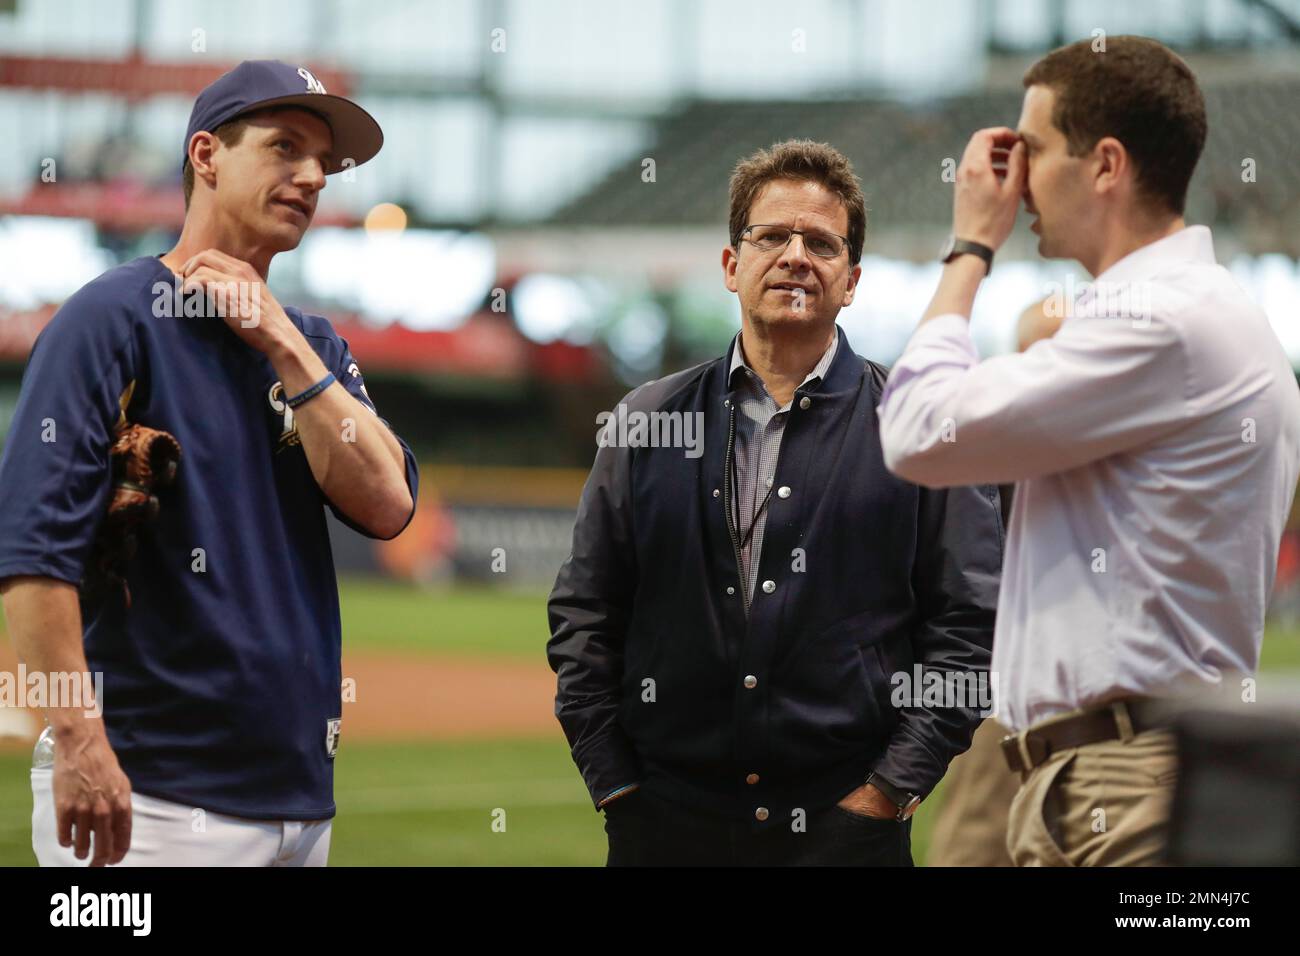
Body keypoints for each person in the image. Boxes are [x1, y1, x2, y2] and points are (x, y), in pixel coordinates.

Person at [878, 36, 1300, 866]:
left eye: (1031, 150)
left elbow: (918, 427)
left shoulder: (1159, 321)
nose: (1016, 179)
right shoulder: (1178, 312)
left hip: (1122, 780)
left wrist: (970, 248)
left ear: (1106, 165)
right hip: (1108, 769)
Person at [0, 60, 419, 867]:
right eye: (284, 147)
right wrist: (79, 741)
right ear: (205, 156)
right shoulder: (111, 319)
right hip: (144, 796)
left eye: (322, 163)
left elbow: (388, 504)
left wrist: (285, 344)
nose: (310, 176)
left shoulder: (316, 346)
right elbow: (28, 555)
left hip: (298, 798)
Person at [547, 139, 1003, 866]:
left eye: (821, 242)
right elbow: (586, 612)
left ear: (851, 279)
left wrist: (890, 790)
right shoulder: (646, 418)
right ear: (733, 265)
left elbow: (970, 628)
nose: (795, 255)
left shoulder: (923, 424)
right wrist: (615, 785)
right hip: (665, 824)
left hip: (846, 827)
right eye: (771, 236)